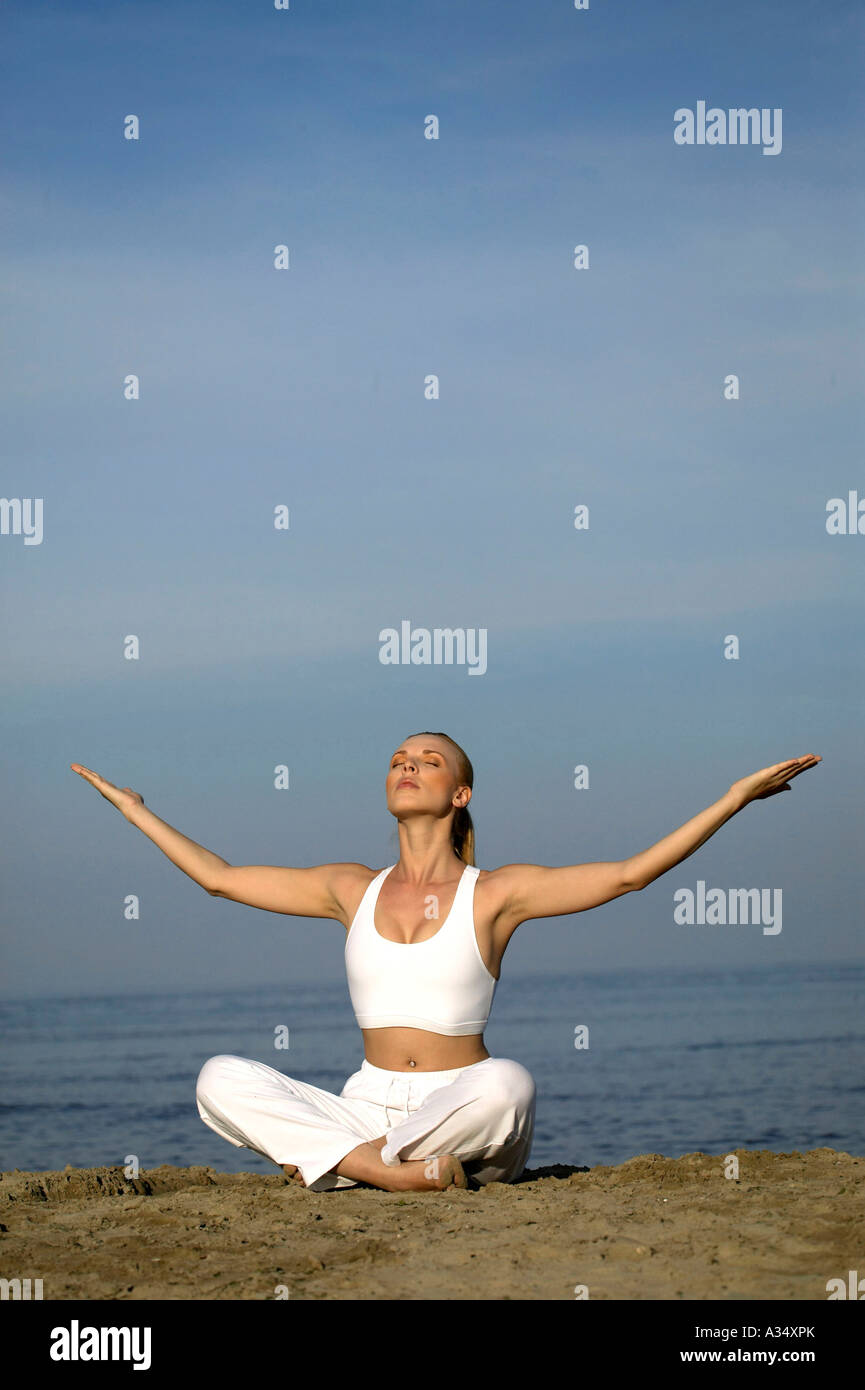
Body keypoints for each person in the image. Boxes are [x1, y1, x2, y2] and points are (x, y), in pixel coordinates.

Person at [70, 737, 820, 1192]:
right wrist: (134, 810)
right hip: (365, 1105)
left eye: (427, 761)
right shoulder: (348, 887)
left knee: (510, 1084)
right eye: (398, 760)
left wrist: (733, 799)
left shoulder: (495, 894)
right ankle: (389, 1172)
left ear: (458, 794)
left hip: (460, 1108)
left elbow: (629, 873)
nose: (407, 766)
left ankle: (353, 1168)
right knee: (218, 1078)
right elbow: (219, 878)